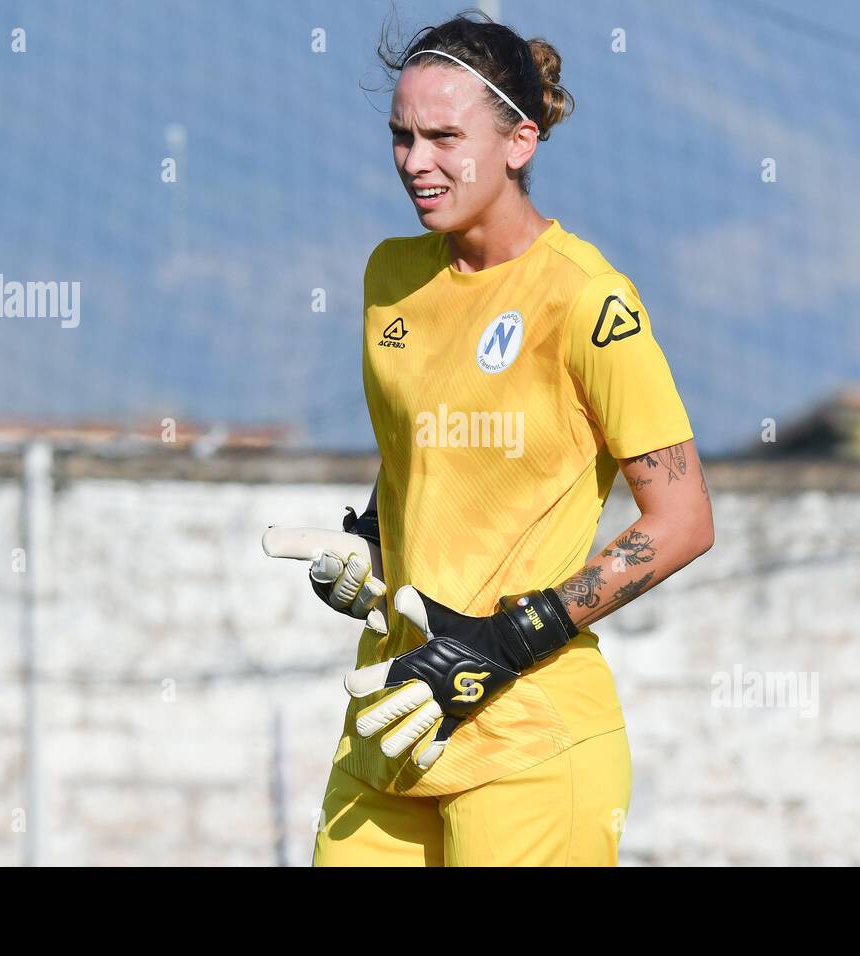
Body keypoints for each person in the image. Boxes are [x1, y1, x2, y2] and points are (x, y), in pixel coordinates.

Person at [266, 11, 714, 866]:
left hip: (529, 743)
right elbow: (421, 463)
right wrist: (369, 548)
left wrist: (502, 644)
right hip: (392, 724)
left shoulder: (588, 299)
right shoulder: (389, 279)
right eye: (402, 136)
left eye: (443, 136)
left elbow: (683, 519)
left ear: (521, 140)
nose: (415, 163)